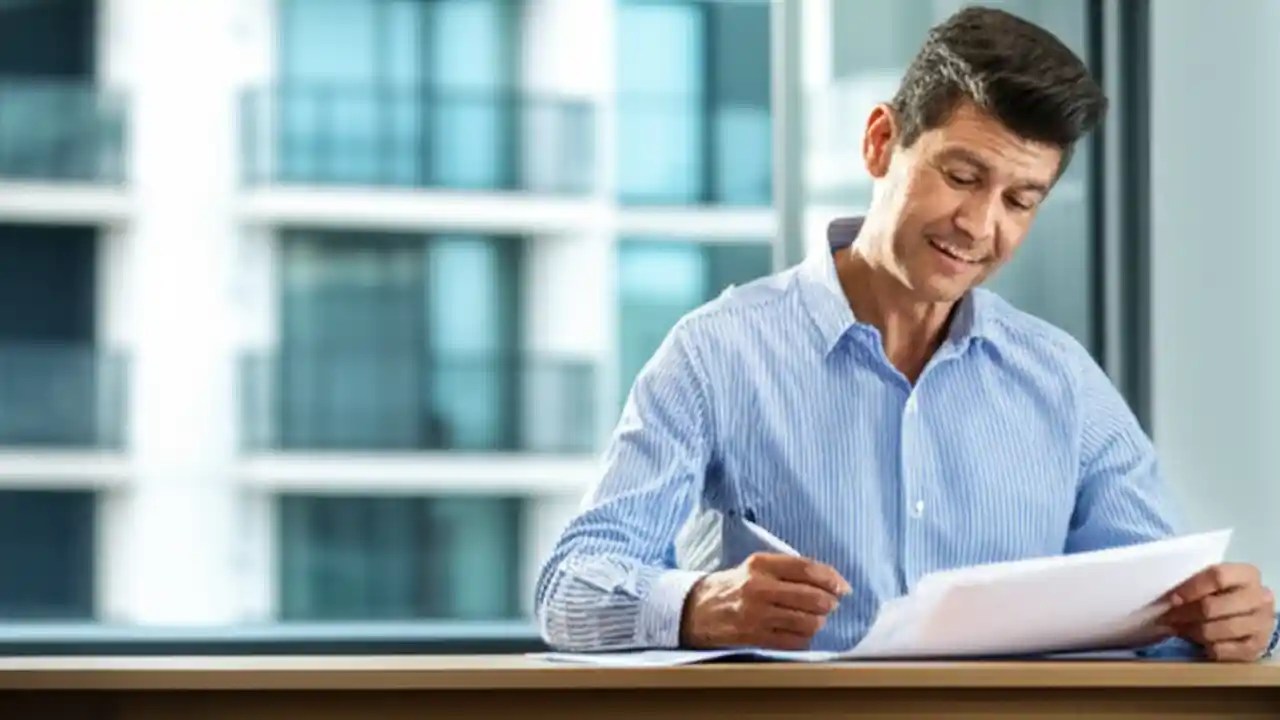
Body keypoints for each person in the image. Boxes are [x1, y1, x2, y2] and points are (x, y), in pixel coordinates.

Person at [534, 6, 1277, 662]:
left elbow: (1167, 599)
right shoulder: (718, 353)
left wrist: (1237, 623)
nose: (980, 226)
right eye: (961, 175)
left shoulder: (1061, 380)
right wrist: (700, 606)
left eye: (1020, 200)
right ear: (882, 142)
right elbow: (571, 588)